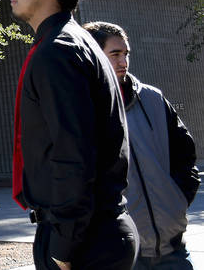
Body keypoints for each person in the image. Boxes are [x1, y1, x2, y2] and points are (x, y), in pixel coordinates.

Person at [8, 0, 137, 270]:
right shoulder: (74, 43)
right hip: (94, 235)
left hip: (84, 244)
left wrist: (63, 247)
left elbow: (73, 154)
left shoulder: (58, 51)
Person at [84, 21, 199, 269]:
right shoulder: (82, 110)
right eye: (115, 54)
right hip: (122, 253)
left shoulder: (153, 98)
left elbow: (185, 155)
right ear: (93, 55)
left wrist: (175, 200)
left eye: (126, 54)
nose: (123, 61)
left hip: (172, 248)